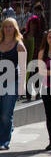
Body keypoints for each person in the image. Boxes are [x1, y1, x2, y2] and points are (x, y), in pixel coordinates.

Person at [0, 17, 27, 150]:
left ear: (15, 28)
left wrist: (22, 86)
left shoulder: (19, 45)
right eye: (6, 26)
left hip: (12, 82)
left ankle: (4, 142)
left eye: (10, 26)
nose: (8, 29)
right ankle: (7, 130)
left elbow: (23, 67)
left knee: (6, 113)